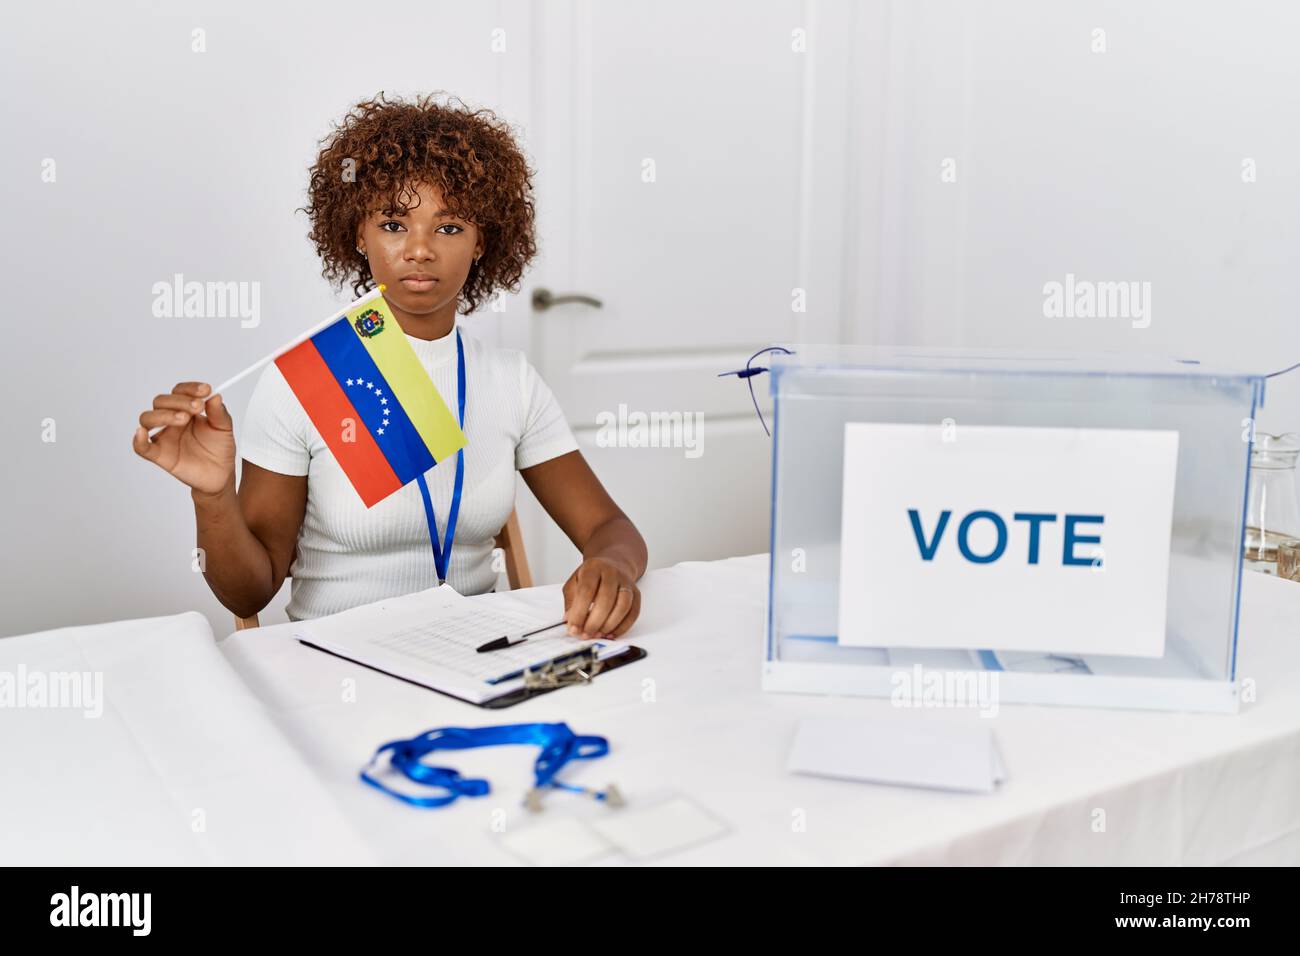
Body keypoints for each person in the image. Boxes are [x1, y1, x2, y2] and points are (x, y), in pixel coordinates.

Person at [132, 93, 646, 639]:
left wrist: (611, 566)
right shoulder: (308, 379)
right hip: (335, 663)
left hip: (476, 654)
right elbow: (249, 591)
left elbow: (610, 527)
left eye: (449, 228)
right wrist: (212, 494)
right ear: (358, 234)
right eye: (394, 224)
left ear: (480, 244)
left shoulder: (511, 381)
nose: (420, 249)